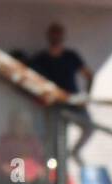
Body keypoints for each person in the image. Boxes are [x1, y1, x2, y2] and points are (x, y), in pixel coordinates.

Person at [30, 23, 94, 161]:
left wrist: (85, 97)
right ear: (48, 36)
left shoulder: (70, 56)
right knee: (54, 139)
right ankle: (53, 170)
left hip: (73, 102)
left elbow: (89, 75)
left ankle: (75, 152)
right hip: (54, 105)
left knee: (89, 127)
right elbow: (30, 77)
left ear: (62, 36)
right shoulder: (41, 59)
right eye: (53, 33)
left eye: (58, 33)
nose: (56, 37)